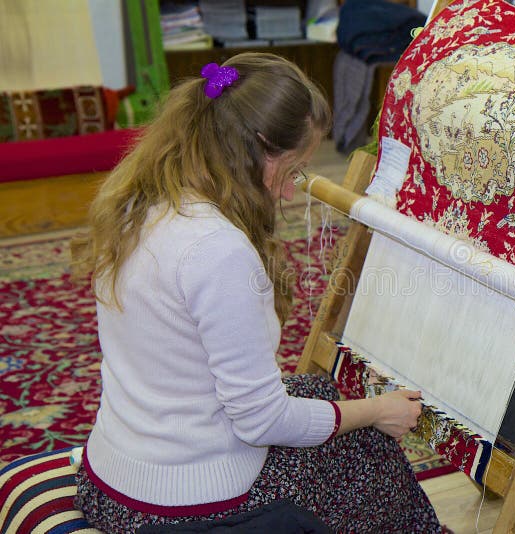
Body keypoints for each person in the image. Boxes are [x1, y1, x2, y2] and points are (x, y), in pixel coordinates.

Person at [71, 52, 442, 533]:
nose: (289, 193)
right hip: (172, 506)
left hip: (110, 477)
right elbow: (260, 422)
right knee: (369, 451)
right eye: (292, 171)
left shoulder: (138, 201)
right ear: (259, 148)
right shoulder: (218, 250)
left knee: (320, 391)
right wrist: (377, 410)